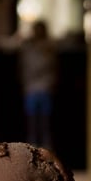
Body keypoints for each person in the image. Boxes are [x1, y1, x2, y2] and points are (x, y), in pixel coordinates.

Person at [18, 20, 57, 148]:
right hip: (33, 89)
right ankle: (33, 149)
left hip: (44, 88)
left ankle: (46, 149)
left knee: (45, 123)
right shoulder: (28, 47)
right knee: (33, 123)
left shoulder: (48, 48)